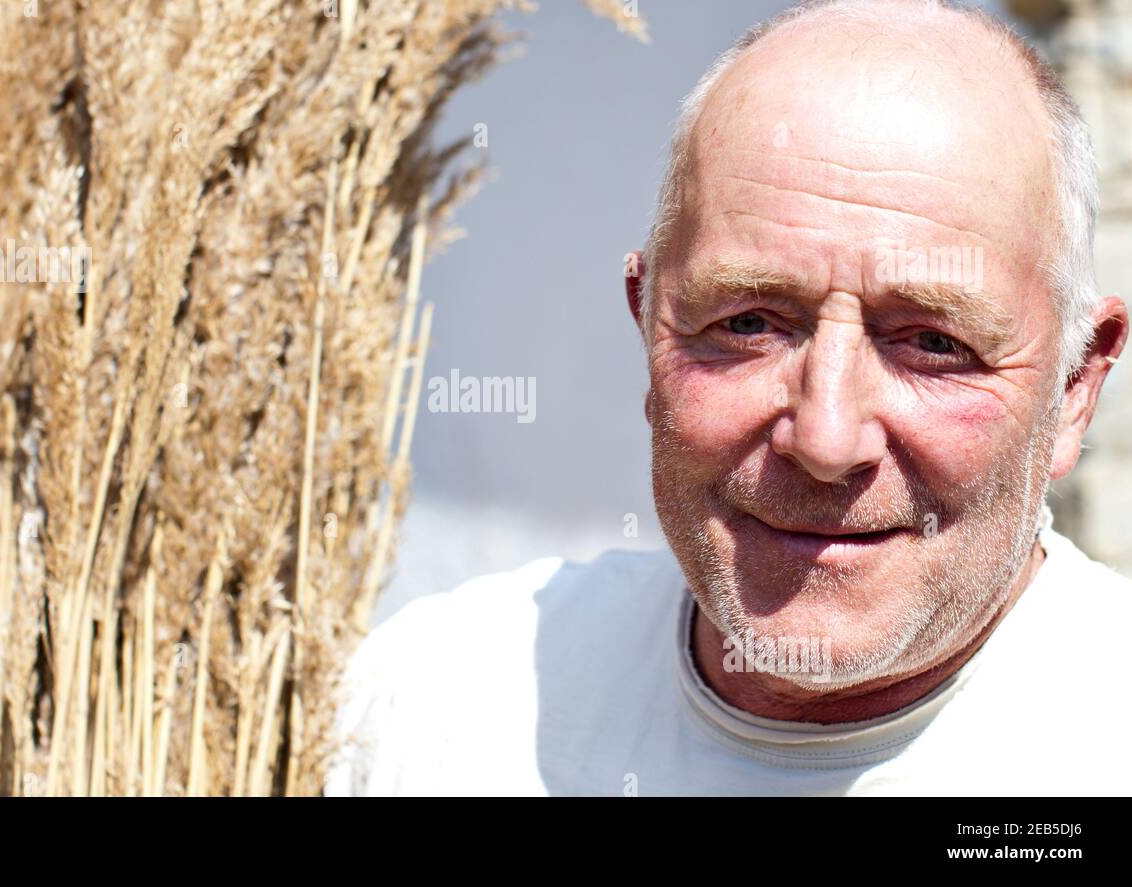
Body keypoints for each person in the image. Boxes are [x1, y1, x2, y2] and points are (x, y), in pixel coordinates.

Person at [325, 0, 1131, 796]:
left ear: (1074, 391)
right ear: (647, 327)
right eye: (749, 322)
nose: (825, 437)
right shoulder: (426, 715)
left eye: (932, 344)